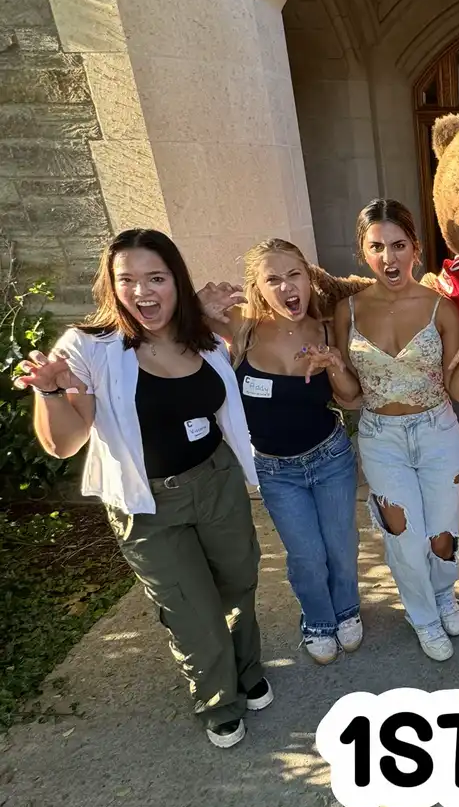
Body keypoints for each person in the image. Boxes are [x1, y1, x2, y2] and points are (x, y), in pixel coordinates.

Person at [11, 229, 268, 749]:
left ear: (177, 281)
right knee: (191, 608)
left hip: (216, 482)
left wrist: (204, 310)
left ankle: (247, 667)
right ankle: (217, 698)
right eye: (127, 280)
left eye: (157, 278)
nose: (143, 291)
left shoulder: (196, 332)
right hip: (149, 502)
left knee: (238, 581)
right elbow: (64, 442)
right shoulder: (89, 348)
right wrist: (53, 390)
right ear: (110, 286)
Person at [335, 199, 459, 662]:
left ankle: (444, 593)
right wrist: (329, 369)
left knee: (442, 530)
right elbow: (348, 396)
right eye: (377, 246)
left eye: (399, 245)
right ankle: (422, 615)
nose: (389, 258)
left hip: (436, 429)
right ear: (363, 252)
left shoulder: (441, 307)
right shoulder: (348, 311)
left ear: (416, 249)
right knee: (402, 534)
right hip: (381, 435)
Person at [199, 239, 365, 667]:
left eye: (294, 275)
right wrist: (201, 302)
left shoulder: (326, 329)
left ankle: (346, 609)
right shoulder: (242, 328)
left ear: (308, 279)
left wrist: (335, 365)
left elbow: (350, 399)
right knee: (307, 553)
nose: (287, 286)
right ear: (257, 286)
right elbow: (182, 324)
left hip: (330, 457)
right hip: (276, 470)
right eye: (273, 278)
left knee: (340, 544)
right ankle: (318, 618)